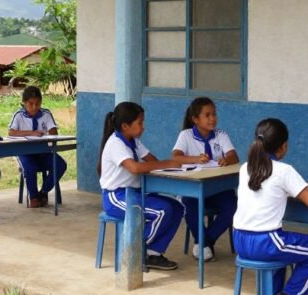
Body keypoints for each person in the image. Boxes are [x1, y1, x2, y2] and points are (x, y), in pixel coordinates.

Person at [232, 118, 308, 295]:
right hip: (265, 243)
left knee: (284, 249)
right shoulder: (284, 170)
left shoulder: (245, 168)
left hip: (240, 240)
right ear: (283, 146)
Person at [98, 101, 198, 271]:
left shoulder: (134, 141)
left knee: (177, 207)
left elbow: (151, 160)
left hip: (136, 193)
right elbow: (135, 168)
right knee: (162, 211)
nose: (143, 126)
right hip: (116, 196)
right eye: (140, 123)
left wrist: (170, 165)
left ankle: (154, 253)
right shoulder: (116, 143)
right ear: (125, 126)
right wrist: (169, 162)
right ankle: (136, 251)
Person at [172, 96, 239, 262]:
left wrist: (227, 160)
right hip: (194, 189)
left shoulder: (221, 135)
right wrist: (195, 159)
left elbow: (233, 156)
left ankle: (204, 241)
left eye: (214, 114)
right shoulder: (186, 135)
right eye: (207, 115)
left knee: (233, 206)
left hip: (217, 190)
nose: (212, 118)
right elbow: (176, 157)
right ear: (195, 119)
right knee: (189, 204)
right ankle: (204, 244)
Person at [8, 86, 67, 208]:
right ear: (24, 102)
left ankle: (43, 192)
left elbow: (53, 131)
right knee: (30, 167)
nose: (34, 107)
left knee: (60, 164)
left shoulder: (46, 114)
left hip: (43, 152)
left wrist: (51, 132)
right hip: (25, 152)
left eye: (37, 103)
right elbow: (11, 132)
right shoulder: (19, 115)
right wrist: (31, 132)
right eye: (31, 104)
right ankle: (33, 197)